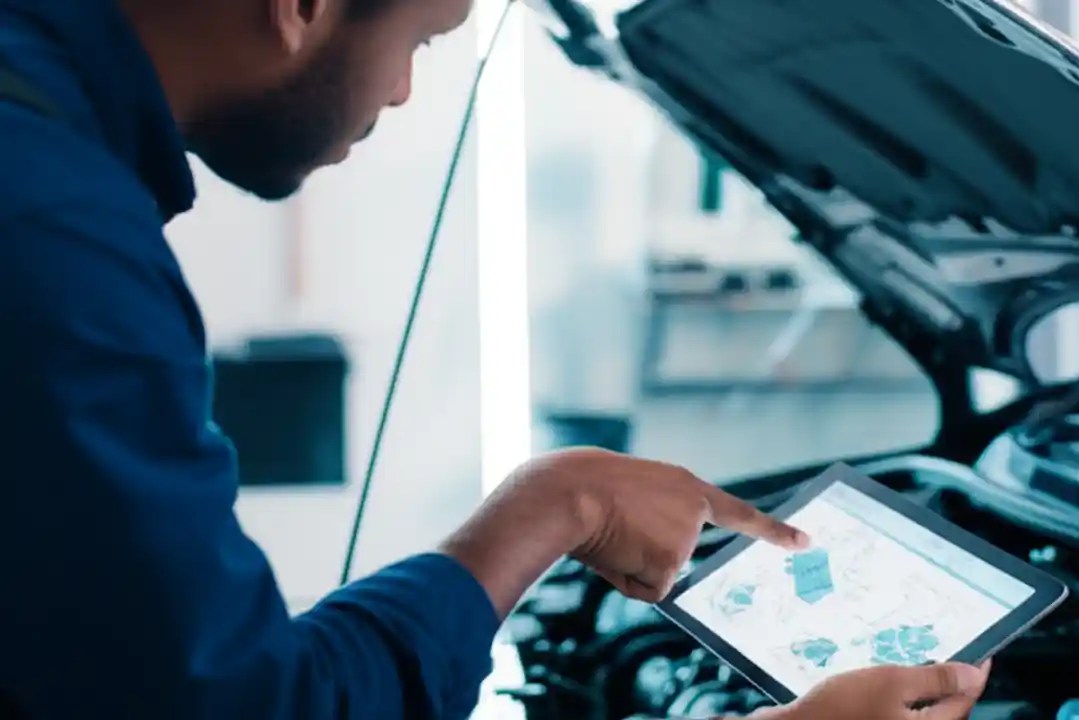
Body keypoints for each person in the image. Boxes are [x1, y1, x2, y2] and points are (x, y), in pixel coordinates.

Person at [0, 0, 992, 718]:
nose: (397, 91)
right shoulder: (51, 238)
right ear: (300, 6)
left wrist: (560, 501)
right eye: (422, 41)